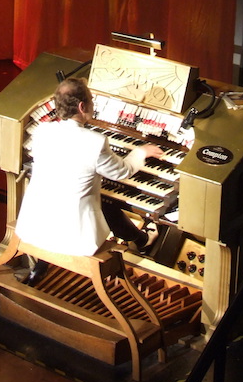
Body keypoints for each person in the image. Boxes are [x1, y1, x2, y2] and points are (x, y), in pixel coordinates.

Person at [15, 77, 164, 282]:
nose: (93, 105)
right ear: (82, 106)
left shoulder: (42, 131)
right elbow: (123, 171)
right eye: (92, 101)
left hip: (34, 225)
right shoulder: (95, 141)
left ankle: (41, 267)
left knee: (96, 202)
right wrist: (140, 151)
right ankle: (142, 242)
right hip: (76, 238)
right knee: (106, 205)